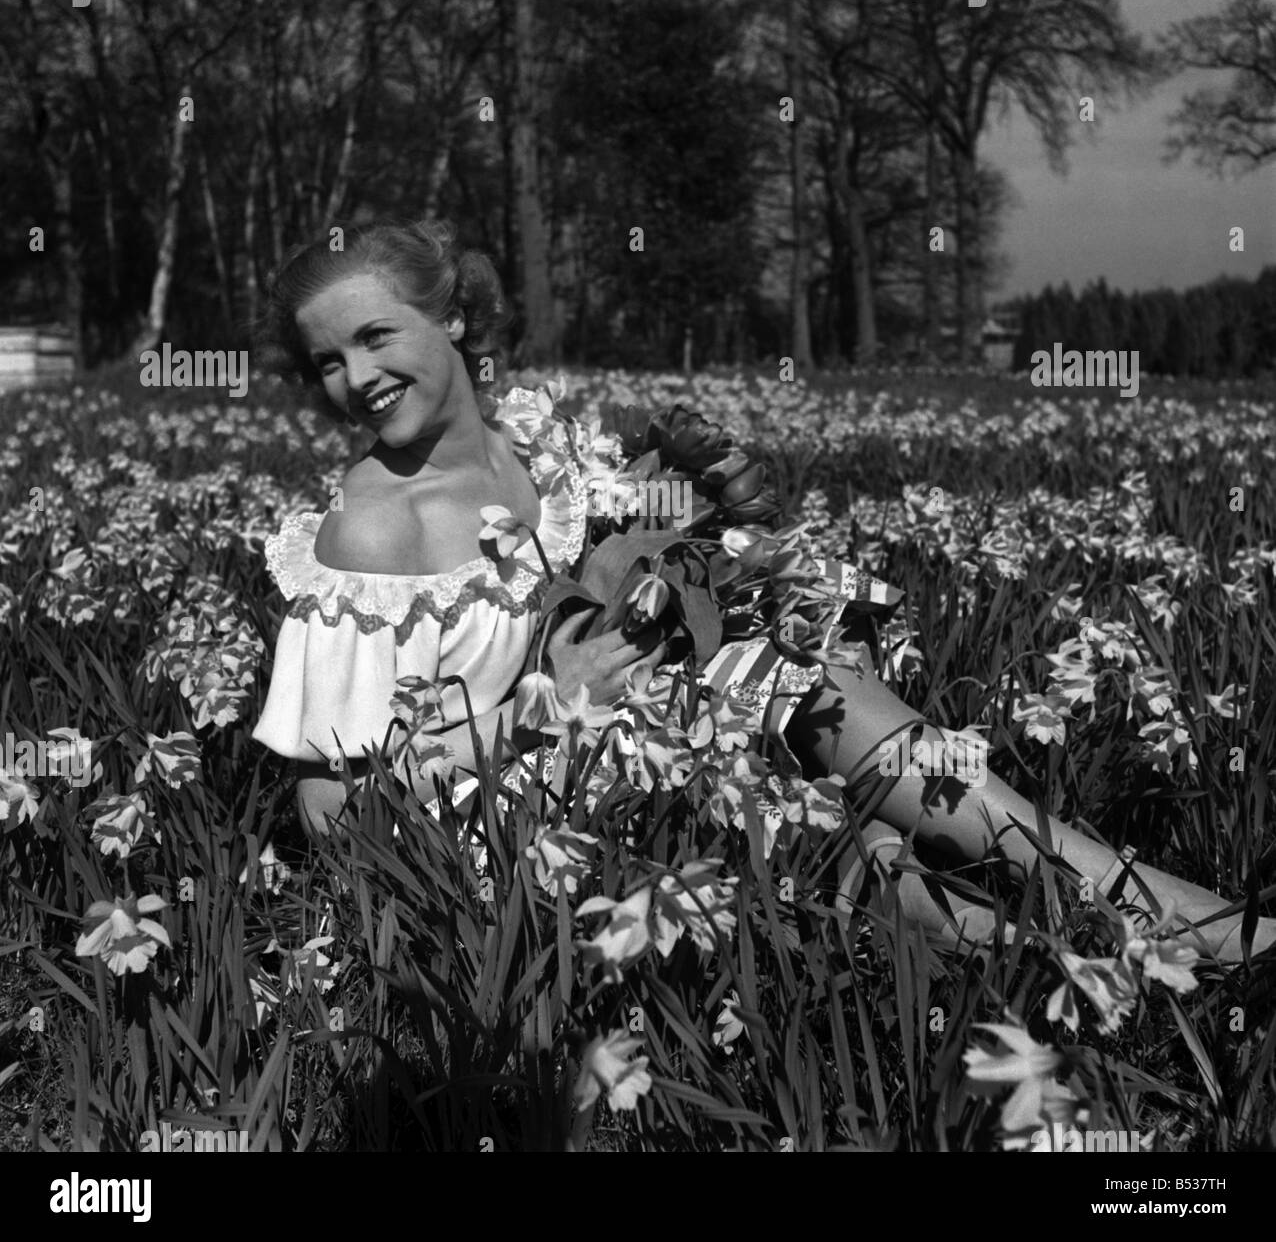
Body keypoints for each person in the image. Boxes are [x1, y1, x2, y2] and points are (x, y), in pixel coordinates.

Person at [250, 216, 1274, 962]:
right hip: (505, 836)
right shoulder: (370, 523)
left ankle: (1100, 943)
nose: (355, 376)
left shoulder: (533, 444)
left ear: (457, 317)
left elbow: (617, 566)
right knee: (784, 689)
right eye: (328, 360)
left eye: (376, 336)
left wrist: (704, 519)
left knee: (787, 633)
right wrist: (545, 705)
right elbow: (331, 811)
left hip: (599, 750)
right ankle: (1147, 923)